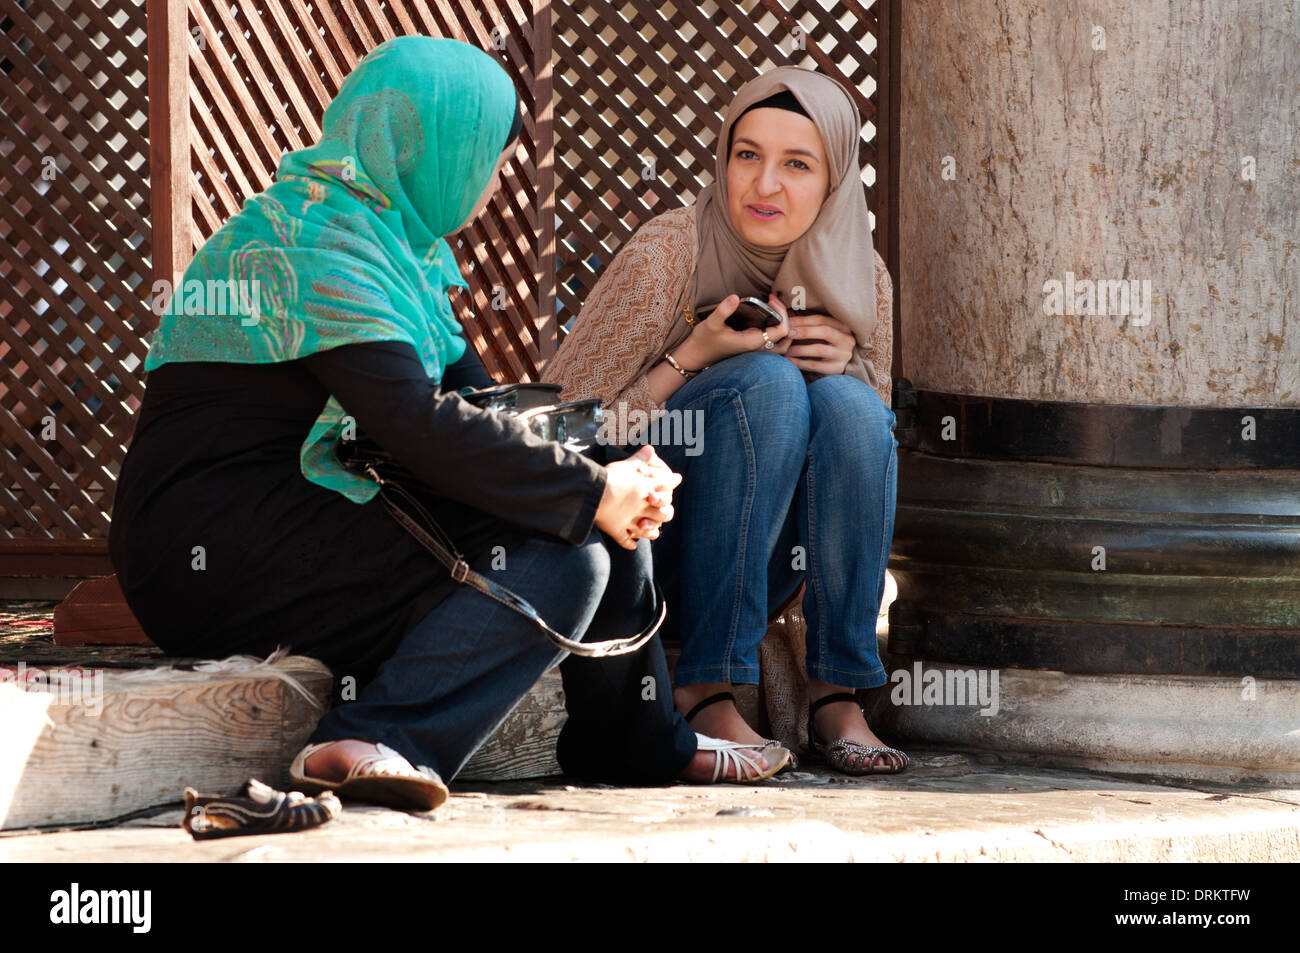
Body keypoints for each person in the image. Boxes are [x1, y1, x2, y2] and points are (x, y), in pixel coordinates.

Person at [108, 37, 787, 813]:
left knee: (599, 523)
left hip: (317, 520)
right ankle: (375, 735)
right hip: (214, 547)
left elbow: (487, 411)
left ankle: (636, 743)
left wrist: (619, 476)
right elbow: (417, 426)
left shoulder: (402, 254)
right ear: (433, 144)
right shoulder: (310, 242)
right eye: (490, 157)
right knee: (573, 556)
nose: (495, 183)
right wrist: (590, 486)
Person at [542, 67, 906, 775]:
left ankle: (838, 689)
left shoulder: (868, 280)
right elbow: (559, 433)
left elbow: (866, 466)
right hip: (646, 556)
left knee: (852, 406)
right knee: (765, 384)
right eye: (747, 155)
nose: (763, 184)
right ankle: (706, 687)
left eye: (796, 164)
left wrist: (854, 368)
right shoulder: (667, 255)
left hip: (769, 566)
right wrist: (691, 358)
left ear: (834, 181)